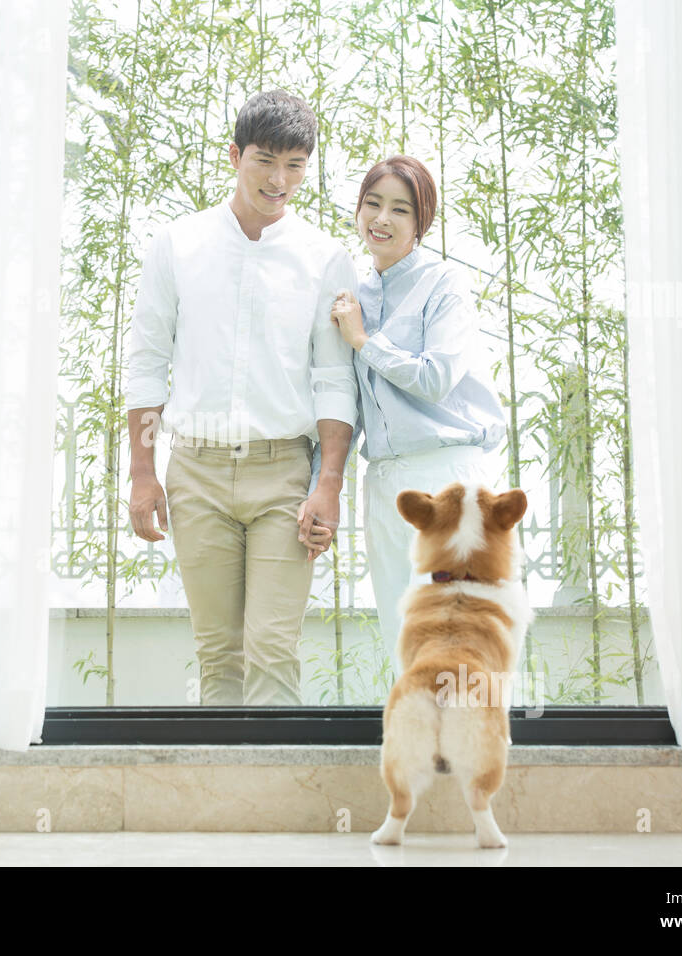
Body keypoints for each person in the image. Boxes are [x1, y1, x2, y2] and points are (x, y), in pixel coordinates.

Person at [124, 90, 359, 706]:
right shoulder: (177, 245)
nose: (280, 180)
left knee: (273, 651)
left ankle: (276, 803)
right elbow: (147, 363)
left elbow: (335, 380)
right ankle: (227, 803)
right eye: (265, 161)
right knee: (218, 655)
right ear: (235, 155)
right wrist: (142, 474)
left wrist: (328, 484)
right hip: (195, 474)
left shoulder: (324, 257)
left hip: (284, 474)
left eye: (296, 166)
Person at [320, 155, 508, 671]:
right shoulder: (354, 295)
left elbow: (435, 377)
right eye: (372, 204)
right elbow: (350, 404)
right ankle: (421, 750)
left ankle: (475, 751)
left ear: (421, 222)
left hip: (450, 477)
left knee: (461, 635)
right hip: (385, 482)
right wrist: (323, 485)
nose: (381, 219)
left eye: (400, 209)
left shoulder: (444, 284)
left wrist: (364, 340)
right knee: (404, 637)